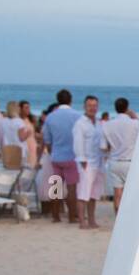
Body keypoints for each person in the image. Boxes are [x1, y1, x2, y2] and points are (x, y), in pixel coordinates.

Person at [40, 89, 81, 223]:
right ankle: (71, 216)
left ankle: (56, 216)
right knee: (71, 188)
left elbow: (47, 139)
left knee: (56, 187)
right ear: (70, 100)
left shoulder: (51, 116)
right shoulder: (77, 116)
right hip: (71, 156)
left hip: (56, 156)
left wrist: (53, 153)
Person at [99, 97, 139, 209]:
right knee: (131, 193)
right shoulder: (135, 123)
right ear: (127, 108)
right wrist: (134, 115)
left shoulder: (107, 125)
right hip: (129, 162)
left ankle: (117, 219)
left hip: (114, 162)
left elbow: (103, 147)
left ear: (115, 108)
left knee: (117, 193)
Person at [73, 94, 105, 229]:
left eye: (94, 106)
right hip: (86, 163)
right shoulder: (80, 124)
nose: (92, 108)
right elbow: (77, 143)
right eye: (89, 106)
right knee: (83, 193)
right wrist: (82, 160)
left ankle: (92, 220)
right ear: (84, 107)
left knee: (94, 194)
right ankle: (82, 221)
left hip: (98, 162)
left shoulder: (99, 122)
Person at [0, 99, 29, 167]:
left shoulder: (3, 121)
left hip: (7, 149)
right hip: (19, 150)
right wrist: (28, 133)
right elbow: (21, 138)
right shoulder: (19, 121)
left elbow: (1, 136)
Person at [19, 100, 38, 168]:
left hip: (32, 145)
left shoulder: (31, 119)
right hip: (24, 145)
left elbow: (34, 133)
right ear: (20, 109)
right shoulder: (18, 120)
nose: (28, 110)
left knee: (32, 165)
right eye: (26, 108)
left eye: (29, 108)